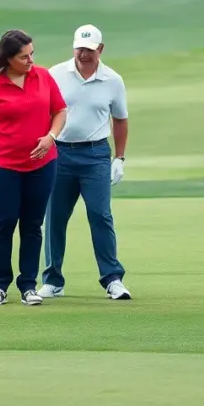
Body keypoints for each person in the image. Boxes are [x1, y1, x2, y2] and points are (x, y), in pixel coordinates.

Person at [0, 29, 68, 307]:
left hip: (42, 164)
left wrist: (51, 136)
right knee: (3, 223)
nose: (30, 60)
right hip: (3, 164)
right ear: (8, 58)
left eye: (31, 54)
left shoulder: (43, 76)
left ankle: (28, 285)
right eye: (23, 56)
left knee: (32, 225)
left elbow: (60, 111)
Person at [37, 24, 132, 301]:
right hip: (60, 153)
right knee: (54, 216)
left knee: (100, 214)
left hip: (96, 155)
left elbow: (121, 119)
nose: (84, 54)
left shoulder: (113, 80)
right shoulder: (55, 74)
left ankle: (112, 278)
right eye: (80, 48)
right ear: (73, 46)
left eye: (90, 49)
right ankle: (53, 280)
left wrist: (119, 158)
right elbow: (44, 111)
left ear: (100, 49)